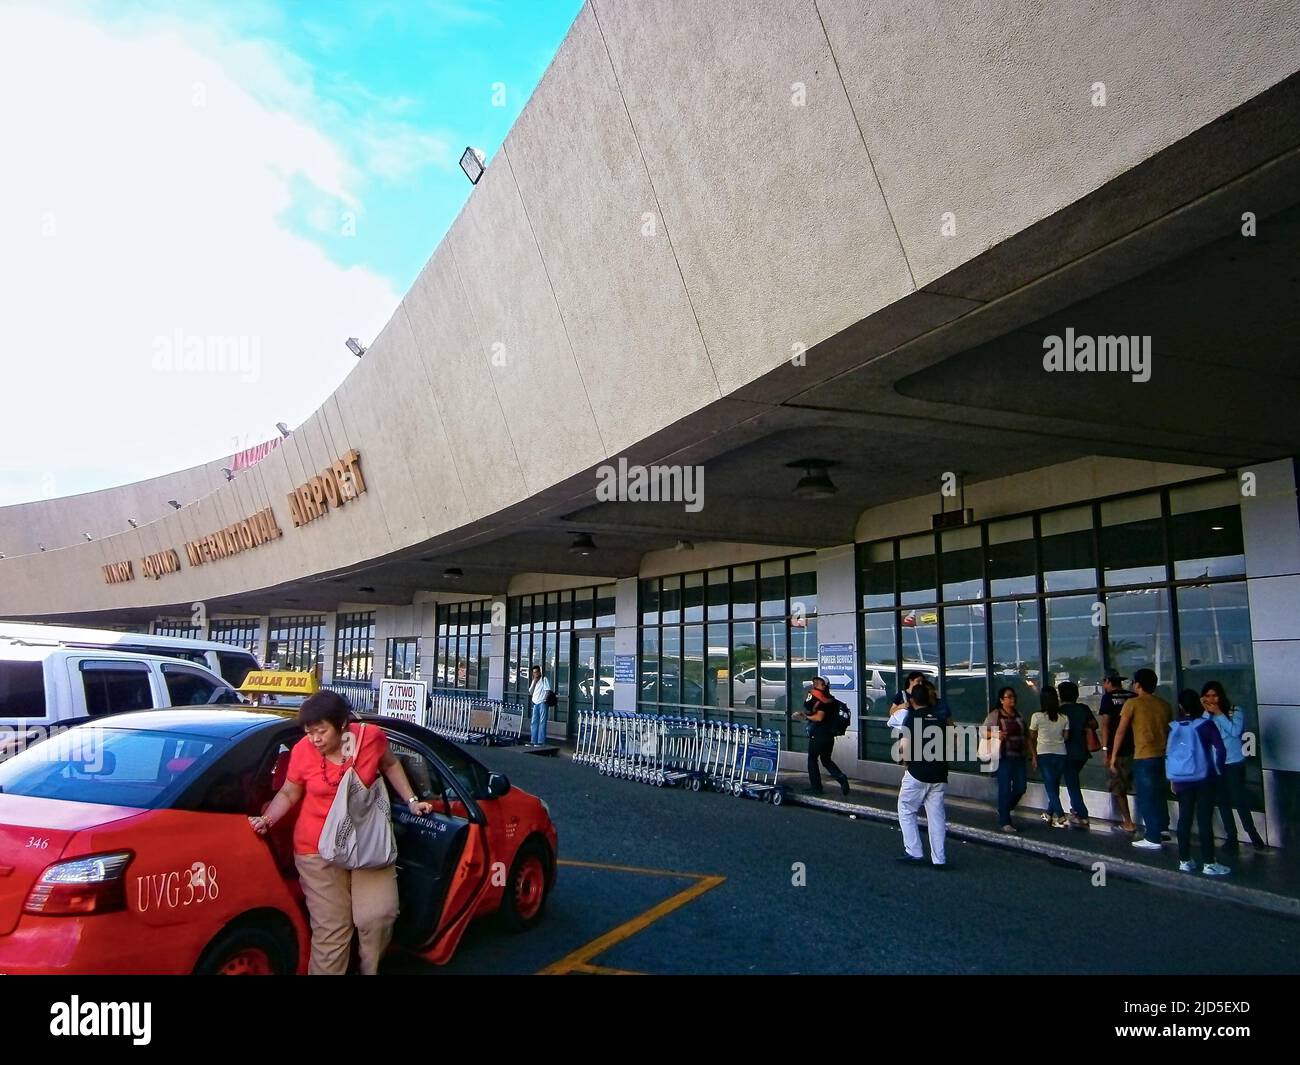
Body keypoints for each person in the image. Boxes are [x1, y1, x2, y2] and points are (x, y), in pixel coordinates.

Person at [249, 690, 434, 975]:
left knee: (379, 916)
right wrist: (267, 819)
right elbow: (288, 792)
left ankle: (368, 969)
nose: (314, 739)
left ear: (343, 724)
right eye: (309, 732)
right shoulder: (302, 751)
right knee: (332, 929)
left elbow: (391, 764)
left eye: (321, 731)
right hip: (316, 848)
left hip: (366, 843)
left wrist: (411, 801)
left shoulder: (370, 738)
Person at [1109, 667, 1174, 851]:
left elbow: (1121, 731)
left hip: (1143, 755)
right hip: (1162, 755)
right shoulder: (1164, 705)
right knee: (1159, 793)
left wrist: (1113, 755)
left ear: (1137, 684)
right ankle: (1163, 829)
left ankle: (1152, 836)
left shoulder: (1133, 704)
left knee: (1146, 796)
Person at [1170, 689, 1229, 876]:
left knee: (1184, 819)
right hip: (1205, 778)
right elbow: (1220, 749)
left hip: (1181, 779)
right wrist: (1219, 770)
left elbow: (1170, 754)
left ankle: (1184, 860)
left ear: (1180, 706)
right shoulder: (1206, 725)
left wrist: (1172, 777)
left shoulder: (1172, 727)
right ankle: (1209, 863)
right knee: (1204, 820)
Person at [1202, 681, 1266, 851]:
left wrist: (1219, 714)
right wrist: (1208, 713)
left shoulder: (1234, 710)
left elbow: (1235, 731)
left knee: (1239, 799)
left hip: (1234, 762)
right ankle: (1232, 837)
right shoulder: (1205, 715)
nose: (1211, 699)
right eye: (1207, 696)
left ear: (1221, 695)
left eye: (1214, 695)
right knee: (1223, 801)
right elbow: (1202, 731)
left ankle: (1253, 835)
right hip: (1216, 764)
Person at [892, 684, 950, 868]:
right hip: (939, 773)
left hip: (917, 772)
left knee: (906, 808)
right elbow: (952, 743)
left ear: (912, 701)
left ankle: (914, 851)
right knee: (936, 816)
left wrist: (905, 763)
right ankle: (939, 858)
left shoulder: (911, 718)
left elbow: (904, 747)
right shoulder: (940, 718)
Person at [793, 676, 850, 796]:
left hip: (819, 734)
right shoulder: (830, 699)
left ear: (824, 686)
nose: (815, 685)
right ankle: (841, 778)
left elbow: (819, 717)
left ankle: (816, 787)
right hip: (829, 736)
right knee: (826, 760)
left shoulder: (823, 700)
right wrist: (806, 714)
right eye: (814, 683)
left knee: (812, 759)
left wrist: (805, 717)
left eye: (818, 683)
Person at [1097, 671, 1137, 833]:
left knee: (1119, 787)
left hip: (1117, 748)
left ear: (1108, 681)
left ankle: (1128, 821)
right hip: (1136, 746)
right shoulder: (1133, 696)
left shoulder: (1108, 698)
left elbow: (1106, 724)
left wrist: (1105, 748)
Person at [984, 686, 1027, 833]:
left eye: (1013, 696)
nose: (1012, 699)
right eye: (1008, 697)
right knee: (1004, 788)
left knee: (1021, 787)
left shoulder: (1019, 715)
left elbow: (1026, 735)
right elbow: (983, 731)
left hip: (1019, 756)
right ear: (1002, 700)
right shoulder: (995, 715)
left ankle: (1004, 809)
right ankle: (1005, 820)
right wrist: (996, 734)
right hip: (1003, 757)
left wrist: (1032, 754)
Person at [1058, 680, 1098, 828]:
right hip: (1082, 751)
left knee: (1072, 784)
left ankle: (1082, 814)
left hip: (1067, 751)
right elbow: (1095, 724)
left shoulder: (1059, 711)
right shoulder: (1083, 708)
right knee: (1072, 781)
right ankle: (1075, 811)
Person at [1029, 685, 1069, 828]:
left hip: (1044, 753)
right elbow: (1066, 737)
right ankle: (1049, 813)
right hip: (1061, 754)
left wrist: (1034, 756)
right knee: (1055, 785)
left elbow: (1032, 737)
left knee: (1050, 786)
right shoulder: (1063, 718)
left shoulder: (1037, 717)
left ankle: (1061, 814)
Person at [527, 665, 553, 746]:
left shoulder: (544, 679)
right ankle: (533, 740)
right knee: (534, 722)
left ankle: (540, 741)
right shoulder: (534, 681)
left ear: (540, 672)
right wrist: (534, 682)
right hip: (535, 703)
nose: (535, 674)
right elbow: (530, 692)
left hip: (542, 703)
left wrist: (545, 700)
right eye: (534, 672)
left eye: (537, 672)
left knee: (542, 722)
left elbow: (548, 690)